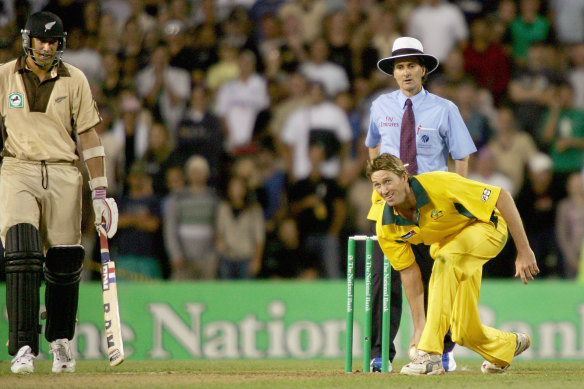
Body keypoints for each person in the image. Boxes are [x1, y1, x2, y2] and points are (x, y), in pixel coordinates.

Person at [0, 12, 118, 374]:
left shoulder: (75, 79)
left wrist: (100, 192)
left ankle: (61, 342)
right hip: (18, 166)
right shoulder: (4, 75)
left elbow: (89, 136)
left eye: (53, 42)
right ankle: (22, 345)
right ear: (28, 40)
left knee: (65, 263)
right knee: (21, 251)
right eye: (42, 40)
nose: (47, 47)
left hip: (65, 173)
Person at [367, 153, 538, 375]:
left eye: (388, 181)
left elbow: (502, 196)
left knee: (444, 259)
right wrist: (420, 326)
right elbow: (409, 273)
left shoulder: (439, 183)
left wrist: (524, 250)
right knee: (462, 331)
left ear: (404, 176)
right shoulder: (386, 225)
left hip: (487, 229)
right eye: (377, 184)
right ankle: (505, 346)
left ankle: (430, 355)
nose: (383, 190)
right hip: (455, 248)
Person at [365, 36, 477, 372]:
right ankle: (378, 354)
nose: (406, 72)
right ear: (394, 73)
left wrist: (461, 199)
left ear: (423, 70)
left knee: (435, 281)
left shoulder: (445, 109)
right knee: (384, 281)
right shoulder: (379, 106)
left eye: (412, 65)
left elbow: (461, 156)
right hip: (391, 206)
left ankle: (442, 351)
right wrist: (379, 185)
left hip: (432, 206)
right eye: (399, 66)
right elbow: (372, 147)